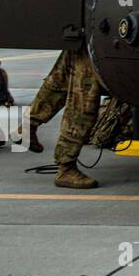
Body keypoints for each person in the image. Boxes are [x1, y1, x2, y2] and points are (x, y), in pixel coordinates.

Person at [17, 47, 102, 189]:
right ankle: (66, 167)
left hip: (81, 39)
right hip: (95, 42)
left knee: (61, 78)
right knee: (84, 99)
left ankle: (28, 126)